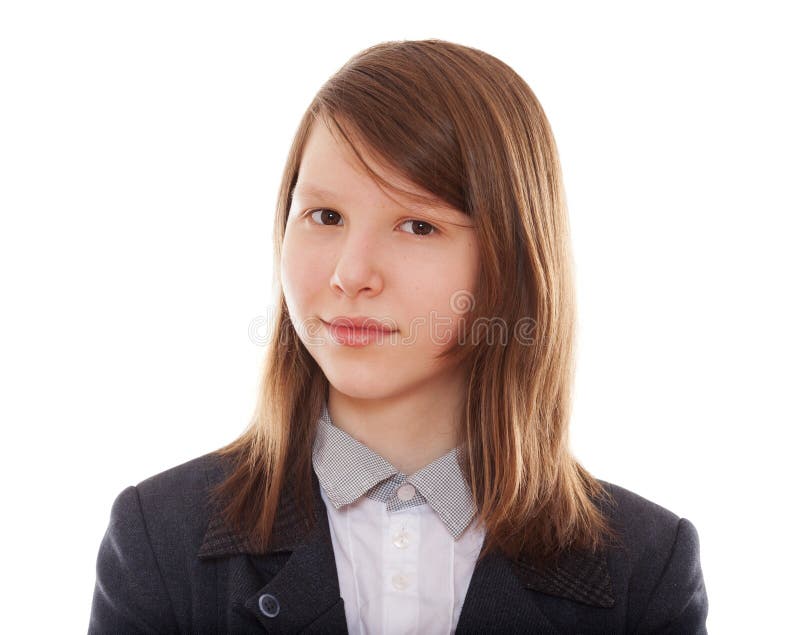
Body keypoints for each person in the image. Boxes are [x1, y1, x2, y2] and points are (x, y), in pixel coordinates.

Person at [88, 39, 708, 634]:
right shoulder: (159, 536)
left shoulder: (646, 567)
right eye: (324, 217)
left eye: (417, 225)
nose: (350, 274)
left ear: (512, 261)